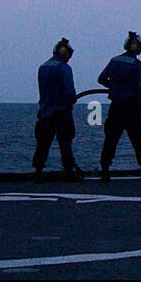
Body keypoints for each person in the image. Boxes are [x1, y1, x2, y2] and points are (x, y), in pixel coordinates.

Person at [97, 31, 141, 182]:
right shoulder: (136, 64)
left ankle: (104, 172)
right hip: (132, 108)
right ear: (134, 46)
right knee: (139, 140)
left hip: (116, 106)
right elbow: (140, 87)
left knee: (111, 139)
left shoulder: (114, 60)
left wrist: (114, 88)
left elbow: (101, 79)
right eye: (140, 47)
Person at [33, 37, 83, 180]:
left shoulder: (43, 67)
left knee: (43, 143)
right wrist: (72, 99)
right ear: (64, 53)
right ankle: (69, 172)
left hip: (44, 112)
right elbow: (69, 91)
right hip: (61, 112)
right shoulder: (64, 68)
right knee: (65, 143)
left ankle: (38, 172)